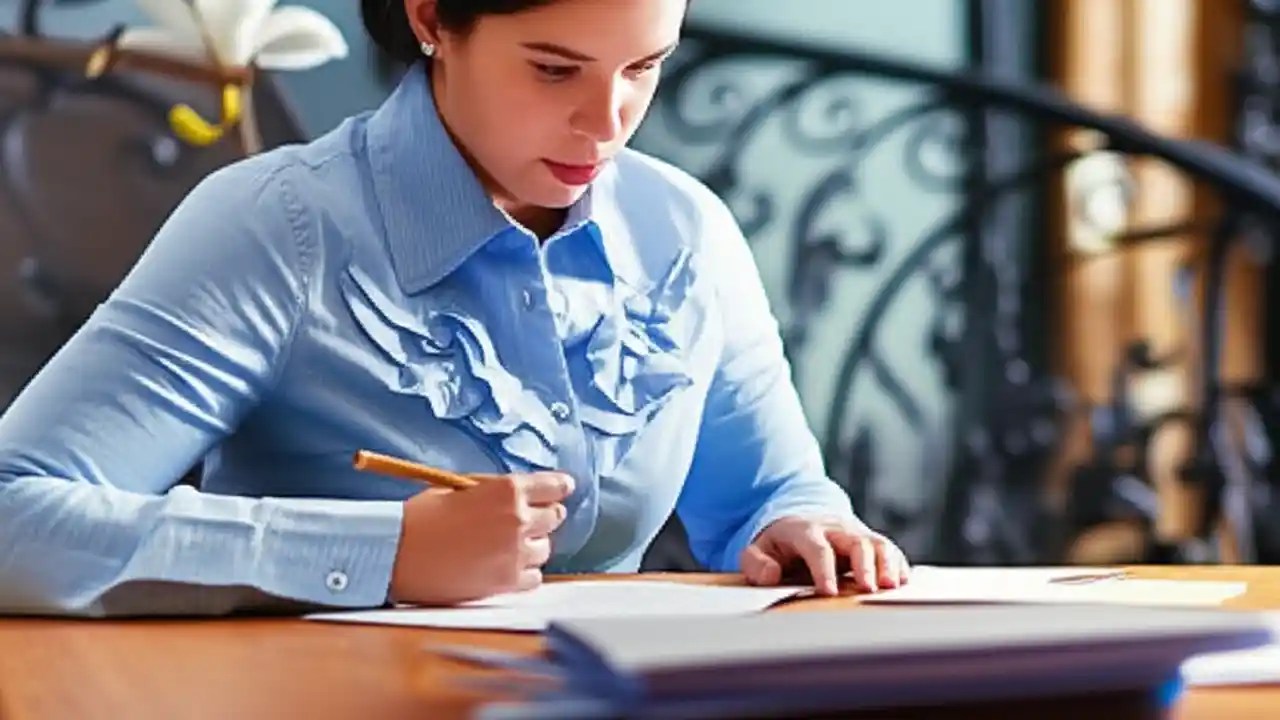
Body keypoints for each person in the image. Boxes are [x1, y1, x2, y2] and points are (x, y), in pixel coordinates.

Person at [0, 0, 910, 617]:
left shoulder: (684, 230)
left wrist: (800, 531)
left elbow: (765, 494)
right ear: (433, 17)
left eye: (645, 66)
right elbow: (14, 520)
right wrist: (383, 552)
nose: (609, 122)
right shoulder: (279, 227)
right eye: (556, 70)